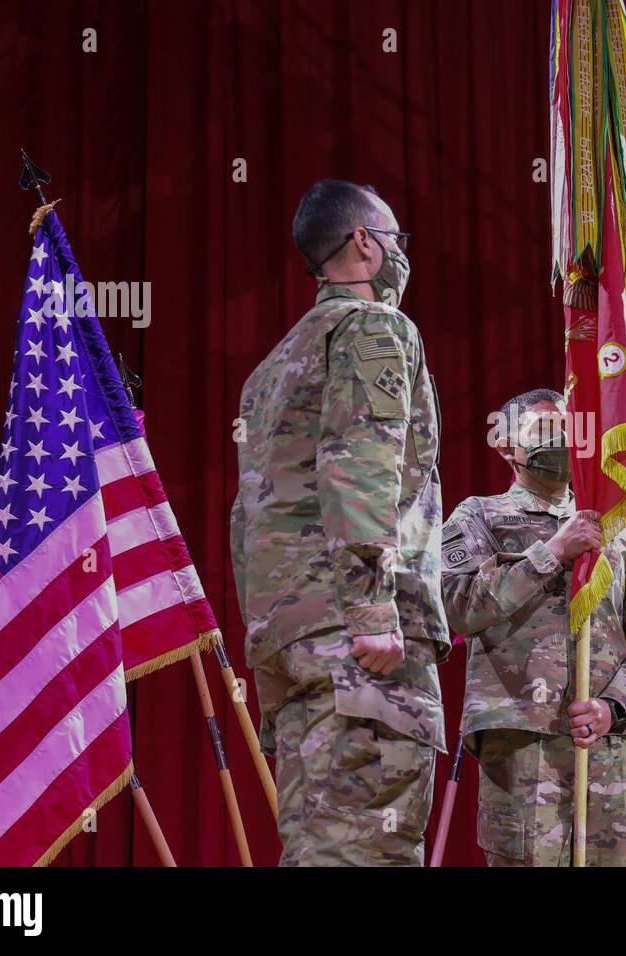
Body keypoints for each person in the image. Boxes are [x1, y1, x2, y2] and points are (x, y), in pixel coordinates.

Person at [230, 179, 448, 865]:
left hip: (288, 640)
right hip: (355, 641)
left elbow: (246, 518)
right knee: (369, 849)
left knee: (318, 848)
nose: (399, 255)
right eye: (396, 241)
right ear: (364, 243)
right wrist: (373, 612)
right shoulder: (375, 327)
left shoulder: (269, 370)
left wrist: (267, 635)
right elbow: (361, 463)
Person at [441, 388, 626, 865]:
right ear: (507, 446)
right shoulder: (479, 516)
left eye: (570, 430)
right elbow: (455, 606)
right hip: (523, 741)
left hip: (605, 745)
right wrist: (549, 554)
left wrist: (615, 705)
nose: (562, 440)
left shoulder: (616, 530)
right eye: (544, 430)